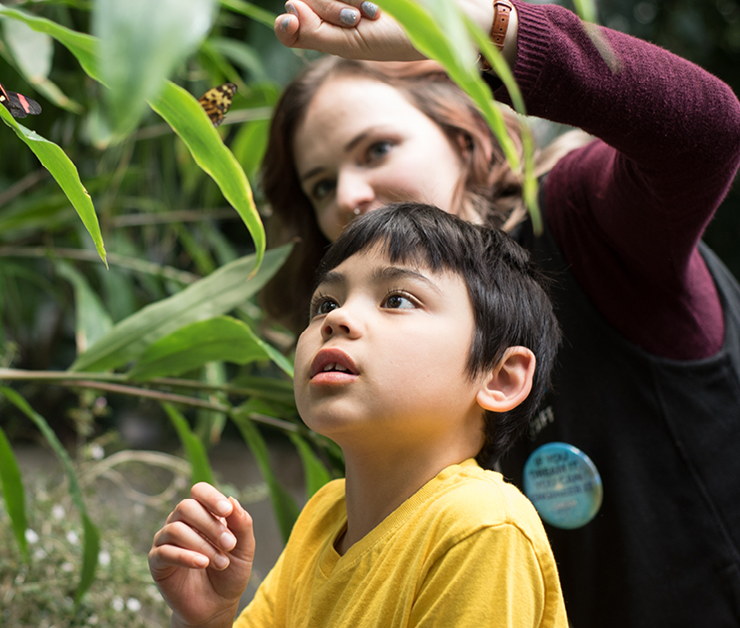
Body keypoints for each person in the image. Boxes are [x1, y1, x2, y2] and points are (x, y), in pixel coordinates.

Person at [258, 1, 740, 625]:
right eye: (321, 185)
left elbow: (707, 129)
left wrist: (475, 28)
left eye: (376, 149)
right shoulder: (371, 357)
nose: (347, 196)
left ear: (464, 133)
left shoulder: (580, 219)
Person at [149, 202, 567, 627]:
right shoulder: (326, 515)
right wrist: (210, 618)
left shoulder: (480, 525)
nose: (338, 318)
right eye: (325, 303)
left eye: (397, 299)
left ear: (501, 378)